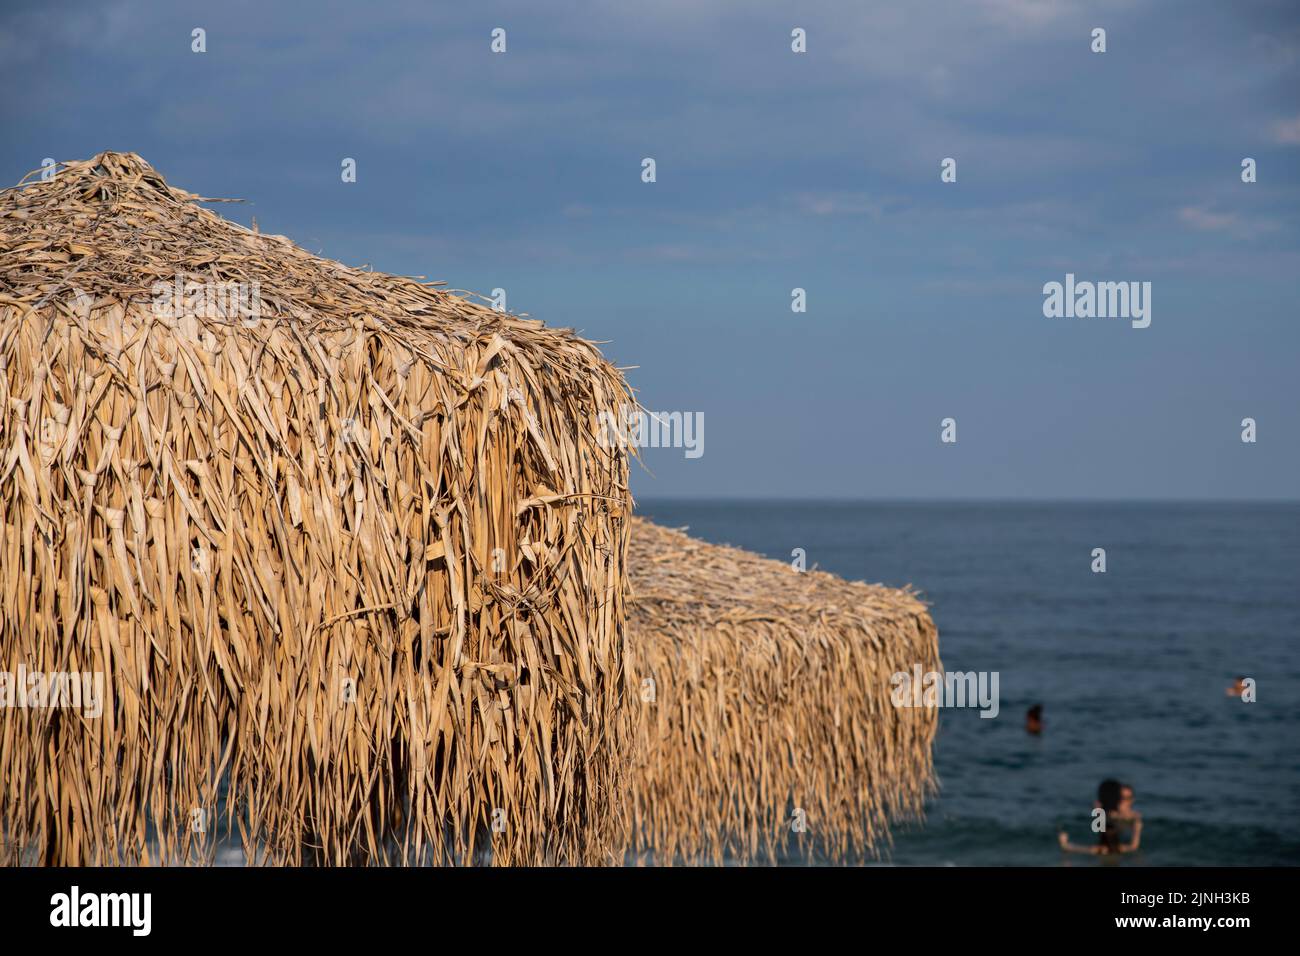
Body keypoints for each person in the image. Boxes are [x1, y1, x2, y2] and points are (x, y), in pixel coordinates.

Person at [1057, 778, 1142, 855]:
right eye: (1121, 798)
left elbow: (1133, 846)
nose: (1123, 801)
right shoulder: (1108, 813)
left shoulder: (1134, 817)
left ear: (1132, 800)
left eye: (1127, 798)